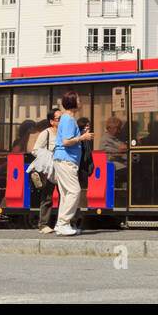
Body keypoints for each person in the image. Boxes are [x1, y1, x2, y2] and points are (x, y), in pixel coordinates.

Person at [49, 92, 93, 236]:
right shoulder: (68, 119)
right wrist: (83, 137)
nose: (81, 102)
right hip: (66, 160)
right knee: (75, 191)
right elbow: (66, 142)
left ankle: (61, 224)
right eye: (79, 99)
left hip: (63, 160)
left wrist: (80, 133)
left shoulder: (66, 119)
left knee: (67, 193)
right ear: (73, 102)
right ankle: (63, 223)